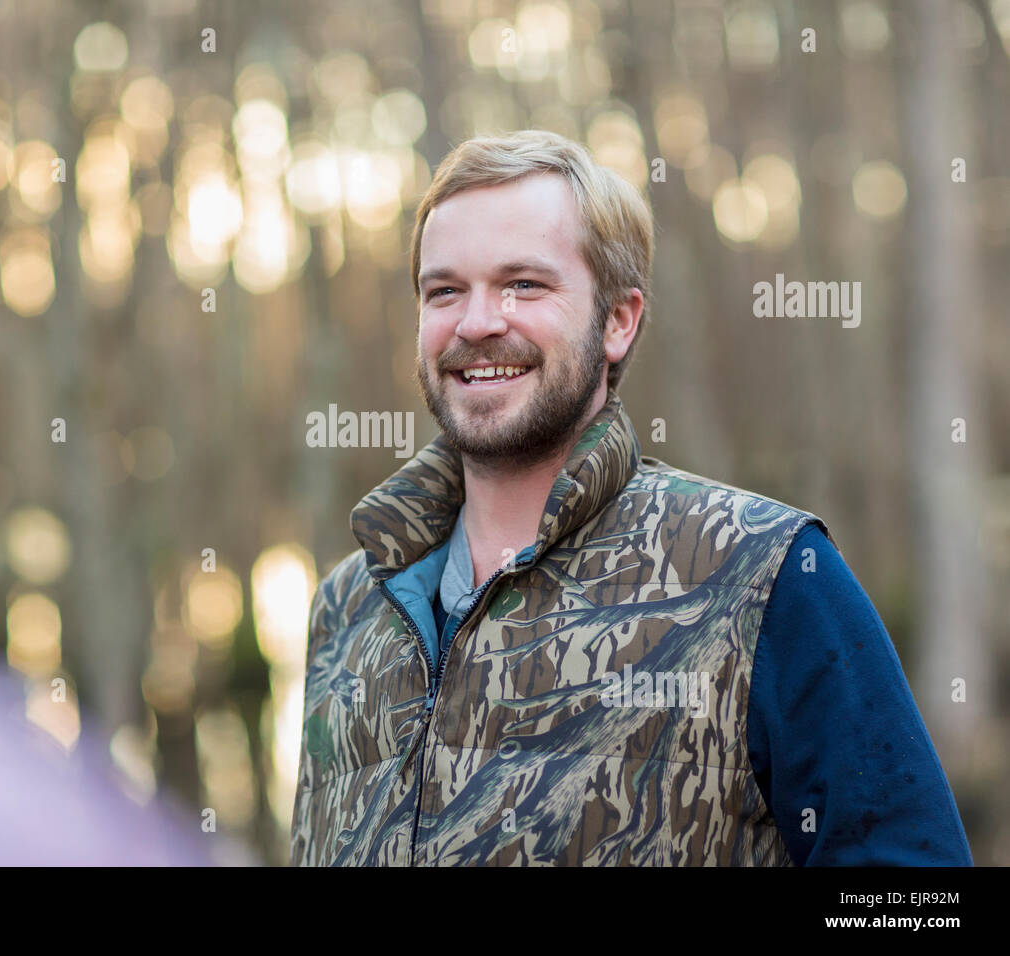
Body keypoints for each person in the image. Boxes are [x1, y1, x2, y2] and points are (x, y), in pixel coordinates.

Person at [288, 129, 973, 866]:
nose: (478, 322)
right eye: (445, 290)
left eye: (524, 284)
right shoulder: (347, 611)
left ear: (618, 321)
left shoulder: (763, 574)